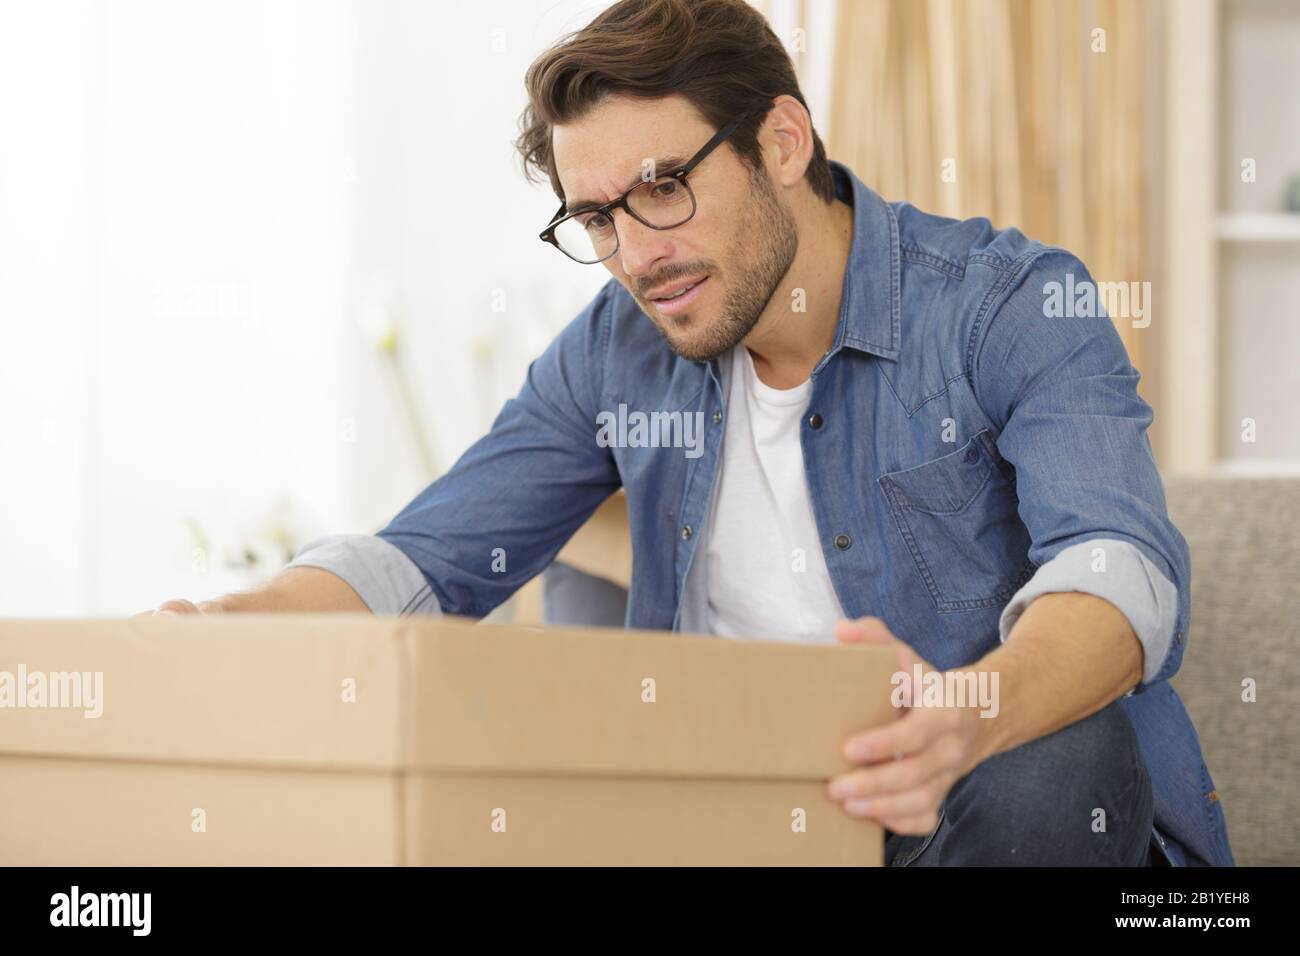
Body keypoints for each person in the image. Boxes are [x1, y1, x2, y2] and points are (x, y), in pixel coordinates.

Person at [143, 0, 1233, 867]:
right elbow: (420, 564)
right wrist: (229, 623)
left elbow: (1116, 572)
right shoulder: (615, 350)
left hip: (978, 800)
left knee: (1059, 756)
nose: (635, 251)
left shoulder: (1007, 302)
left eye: (662, 187)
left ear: (782, 140)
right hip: (748, 822)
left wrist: (968, 712)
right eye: (597, 217)